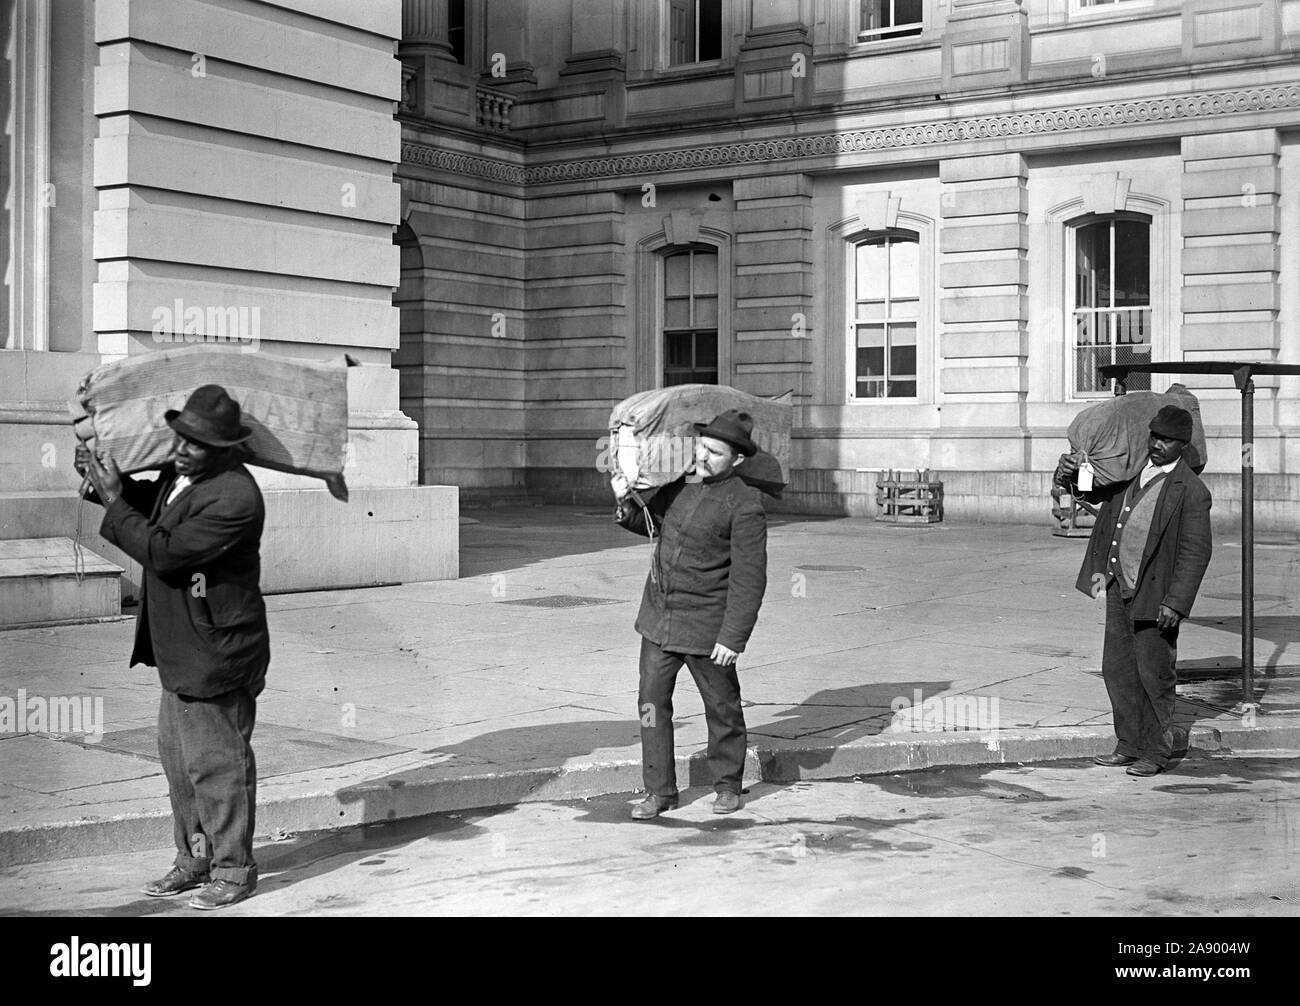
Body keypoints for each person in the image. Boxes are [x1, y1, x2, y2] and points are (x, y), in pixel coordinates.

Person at [78, 384, 270, 909]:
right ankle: (194, 860)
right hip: (182, 645)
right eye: (181, 436)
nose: (182, 447)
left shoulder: (234, 495)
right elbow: (148, 511)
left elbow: (164, 552)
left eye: (196, 443)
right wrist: (102, 482)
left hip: (216, 651)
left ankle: (234, 870)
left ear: (225, 448)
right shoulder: (182, 475)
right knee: (179, 763)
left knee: (217, 764)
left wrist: (116, 500)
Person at [612, 409, 768, 818]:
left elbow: (749, 580)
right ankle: (659, 791)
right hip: (659, 619)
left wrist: (733, 638)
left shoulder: (745, 505)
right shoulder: (681, 484)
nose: (702, 456)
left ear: (736, 459)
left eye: (714, 452)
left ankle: (727, 785)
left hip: (707, 627)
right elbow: (653, 523)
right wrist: (625, 505)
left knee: (722, 707)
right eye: (701, 446)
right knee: (651, 702)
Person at [1060, 404, 1213, 777]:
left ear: (1183, 445)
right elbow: (1089, 493)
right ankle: (1127, 744)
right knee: (1118, 670)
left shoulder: (1190, 490)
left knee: (1154, 675)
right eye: (1155, 437)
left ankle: (1156, 752)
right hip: (1117, 587)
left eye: (1169, 441)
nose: (1159, 445)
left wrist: (1176, 603)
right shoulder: (1128, 474)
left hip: (1157, 597)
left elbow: (1196, 552)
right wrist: (1070, 475)